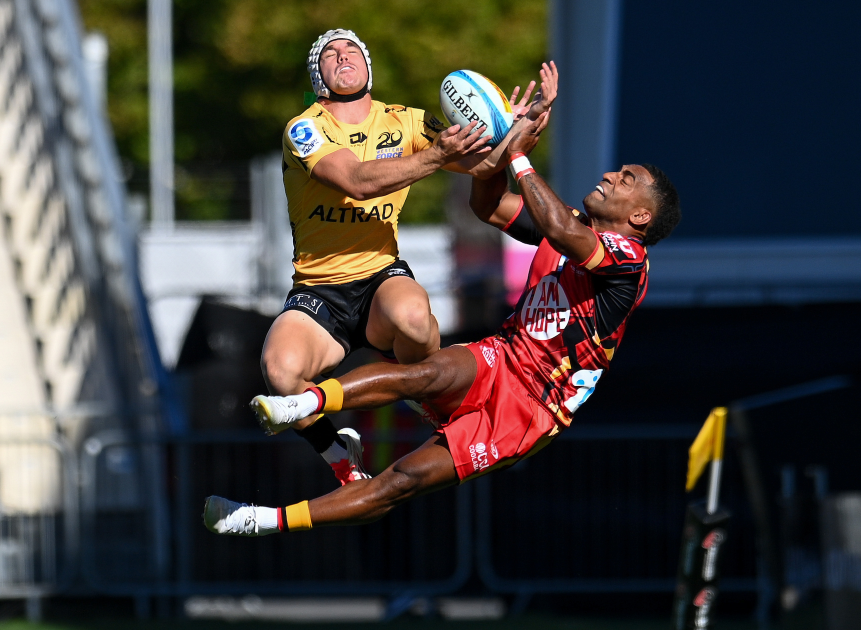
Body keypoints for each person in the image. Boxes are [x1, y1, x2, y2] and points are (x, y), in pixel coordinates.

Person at [206, 63, 684, 536]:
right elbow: (489, 206)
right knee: (425, 373)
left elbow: (558, 229)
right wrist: (504, 137)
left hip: (531, 406)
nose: (610, 175)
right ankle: (306, 403)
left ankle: (261, 521)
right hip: (504, 356)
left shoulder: (628, 259)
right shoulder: (576, 224)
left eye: (625, 179)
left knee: (402, 481)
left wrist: (517, 156)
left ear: (640, 216)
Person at [264, 28, 528, 485]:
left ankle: (421, 392)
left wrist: (518, 130)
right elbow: (357, 181)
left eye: (352, 50)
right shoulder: (304, 128)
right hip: (318, 290)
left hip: (380, 276)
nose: (343, 56)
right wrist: (436, 157)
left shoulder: (405, 120)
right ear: (319, 75)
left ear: (368, 66)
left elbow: (483, 164)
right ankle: (339, 456)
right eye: (331, 53)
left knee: (411, 315)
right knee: (280, 372)